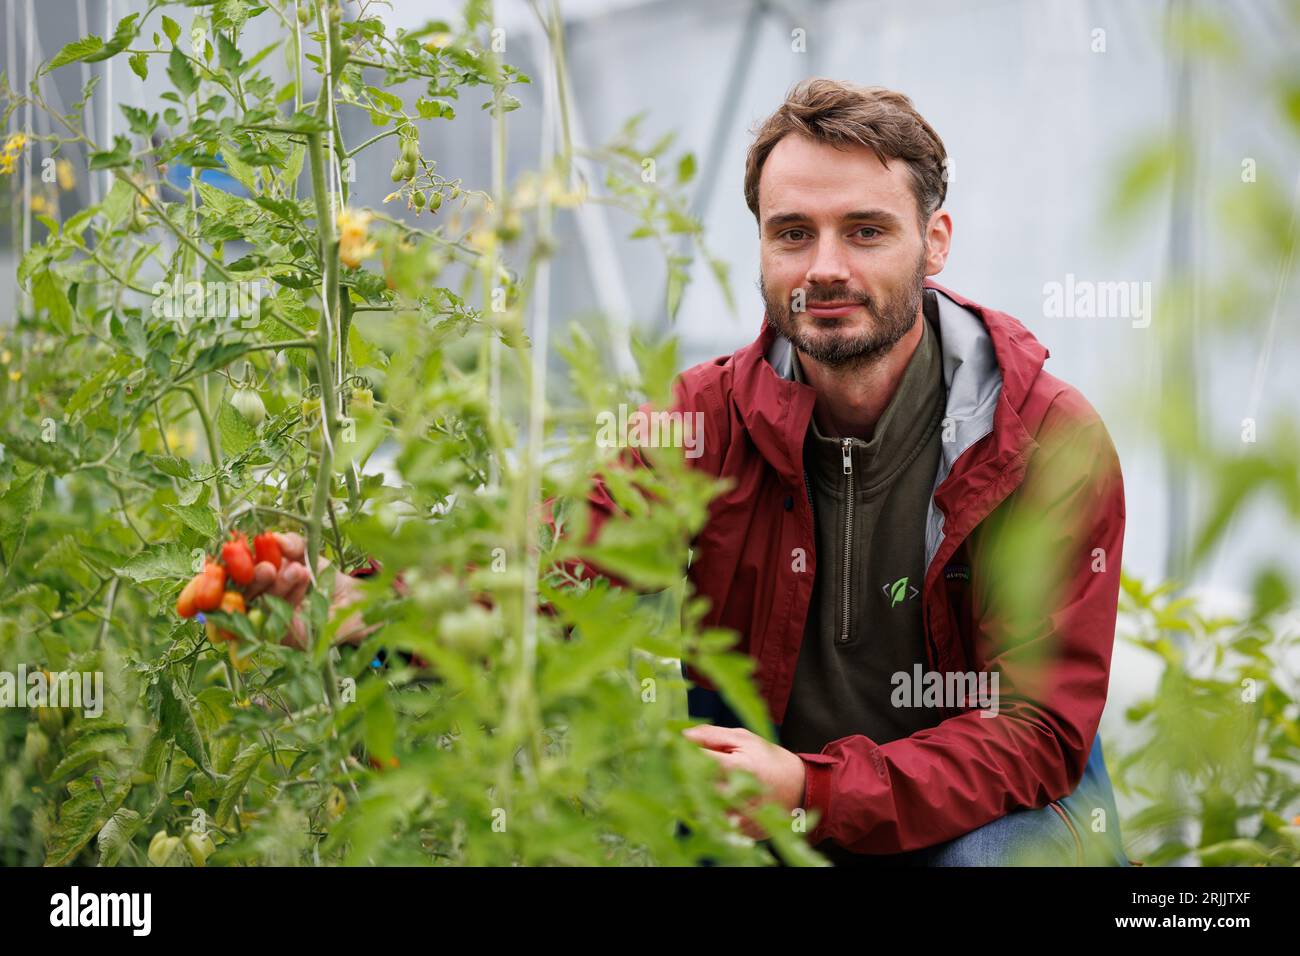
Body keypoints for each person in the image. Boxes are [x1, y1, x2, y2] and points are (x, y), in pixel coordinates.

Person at [574, 78, 1130, 866]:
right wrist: (382, 606)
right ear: (762, 246)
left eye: (865, 231)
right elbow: (561, 571)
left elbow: (1033, 730)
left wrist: (815, 790)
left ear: (934, 241)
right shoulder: (703, 419)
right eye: (793, 233)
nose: (825, 268)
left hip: (986, 819)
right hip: (768, 811)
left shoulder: (1042, 441)